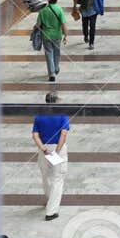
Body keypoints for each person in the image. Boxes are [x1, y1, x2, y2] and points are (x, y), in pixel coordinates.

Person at [30, 92, 69, 220]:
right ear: (56, 101)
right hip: (57, 149)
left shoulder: (39, 116)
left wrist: (43, 149)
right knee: (57, 178)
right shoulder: (62, 115)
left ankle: (49, 200)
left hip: (44, 149)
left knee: (46, 176)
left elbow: (35, 135)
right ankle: (51, 211)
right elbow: (63, 135)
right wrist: (56, 152)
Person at [37, 0, 66, 82]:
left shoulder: (43, 11)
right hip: (57, 35)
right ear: (56, 0)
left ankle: (52, 74)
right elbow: (63, 24)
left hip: (46, 36)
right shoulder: (59, 9)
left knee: (49, 54)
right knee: (57, 53)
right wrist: (66, 35)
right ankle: (56, 68)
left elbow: (38, 24)